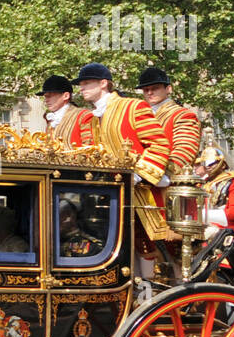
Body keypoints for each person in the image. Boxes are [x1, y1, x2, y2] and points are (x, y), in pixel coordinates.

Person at [74, 63, 173, 267]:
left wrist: (137, 175)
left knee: (157, 250)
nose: (81, 88)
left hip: (144, 195)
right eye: (80, 85)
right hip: (112, 196)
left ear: (103, 83)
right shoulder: (92, 118)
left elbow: (159, 144)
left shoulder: (133, 106)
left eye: (86, 83)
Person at [137, 66, 201, 177]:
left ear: (168, 89)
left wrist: (159, 175)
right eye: (146, 90)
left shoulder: (183, 115)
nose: (150, 92)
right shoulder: (138, 114)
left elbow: (185, 151)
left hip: (164, 182)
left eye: (155, 88)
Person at [196, 143, 234, 237]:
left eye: (211, 163)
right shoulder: (203, 184)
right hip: (204, 227)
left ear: (223, 164)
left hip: (230, 229)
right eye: (204, 163)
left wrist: (202, 215)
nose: (207, 166)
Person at [38, 75, 93, 146]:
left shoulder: (83, 116)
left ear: (66, 96)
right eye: (45, 96)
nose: (46, 100)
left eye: (50, 96)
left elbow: (89, 149)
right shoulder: (51, 121)